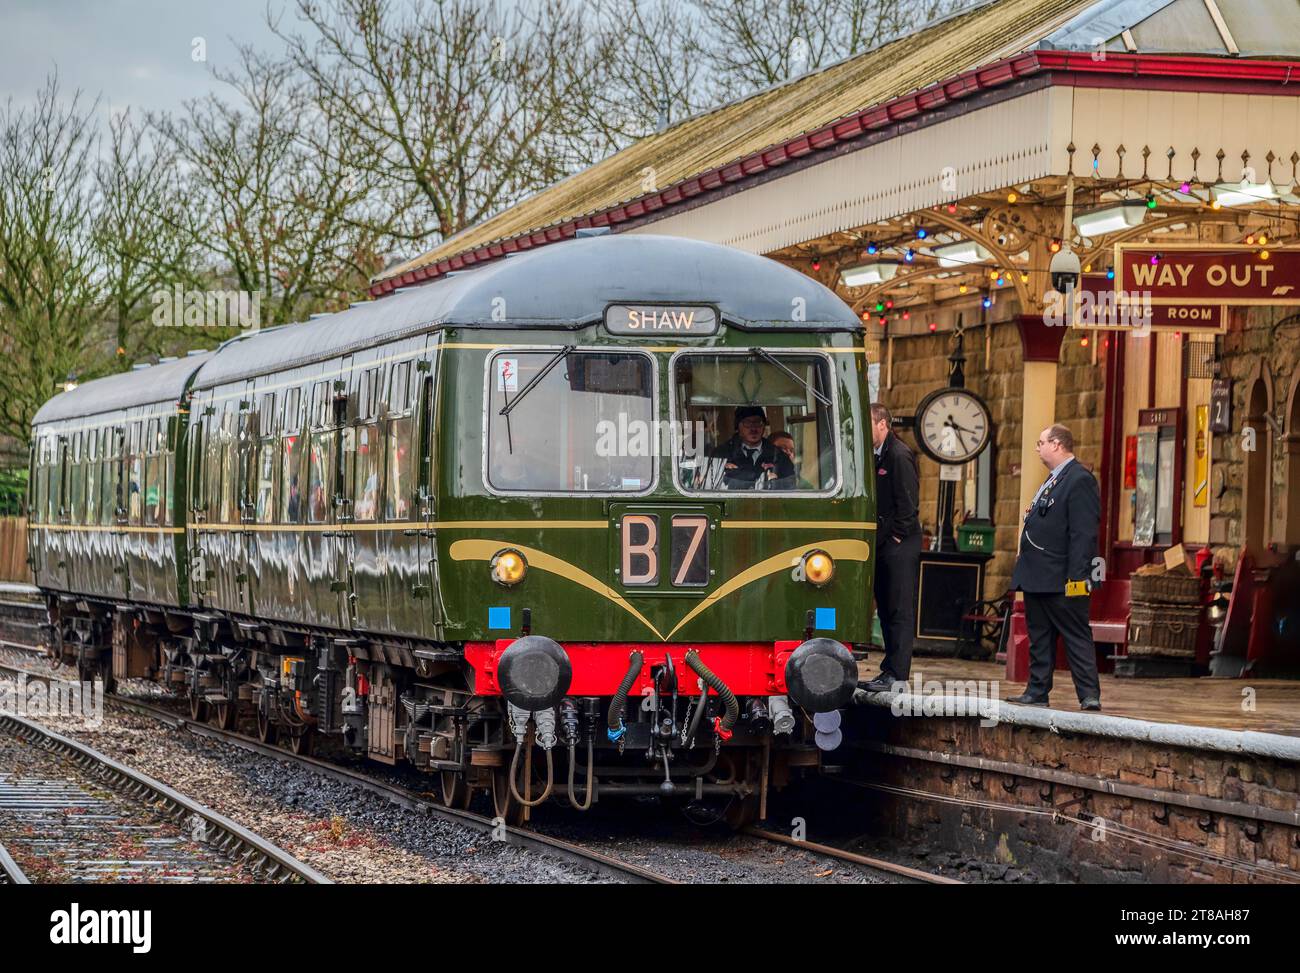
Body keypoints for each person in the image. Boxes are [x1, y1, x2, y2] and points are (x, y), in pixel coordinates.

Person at [1007, 424, 1102, 711]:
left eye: (1041, 442)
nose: (1037, 448)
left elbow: (1083, 534)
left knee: (1075, 635)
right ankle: (1037, 690)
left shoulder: (1079, 480)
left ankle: (1088, 694)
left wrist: (1078, 578)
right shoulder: (1051, 480)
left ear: (1058, 445)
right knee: (1040, 636)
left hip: (1062, 577)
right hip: (1038, 576)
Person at [861, 403, 921, 692]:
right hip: (883, 544)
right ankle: (889, 669)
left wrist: (897, 536)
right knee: (885, 607)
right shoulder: (876, 456)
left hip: (899, 545)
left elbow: (908, 504)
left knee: (899, 609)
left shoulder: (899, 455)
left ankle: (898, 674)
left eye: (868, 423)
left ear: (882, 423)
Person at [705, 406, 796, 490]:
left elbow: (790, 489)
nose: (753, 428)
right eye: (747, 422)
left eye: (758, 422)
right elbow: (709, 486)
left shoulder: (779, 456)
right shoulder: (721, 454)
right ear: (738, 426)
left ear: (764, 425)